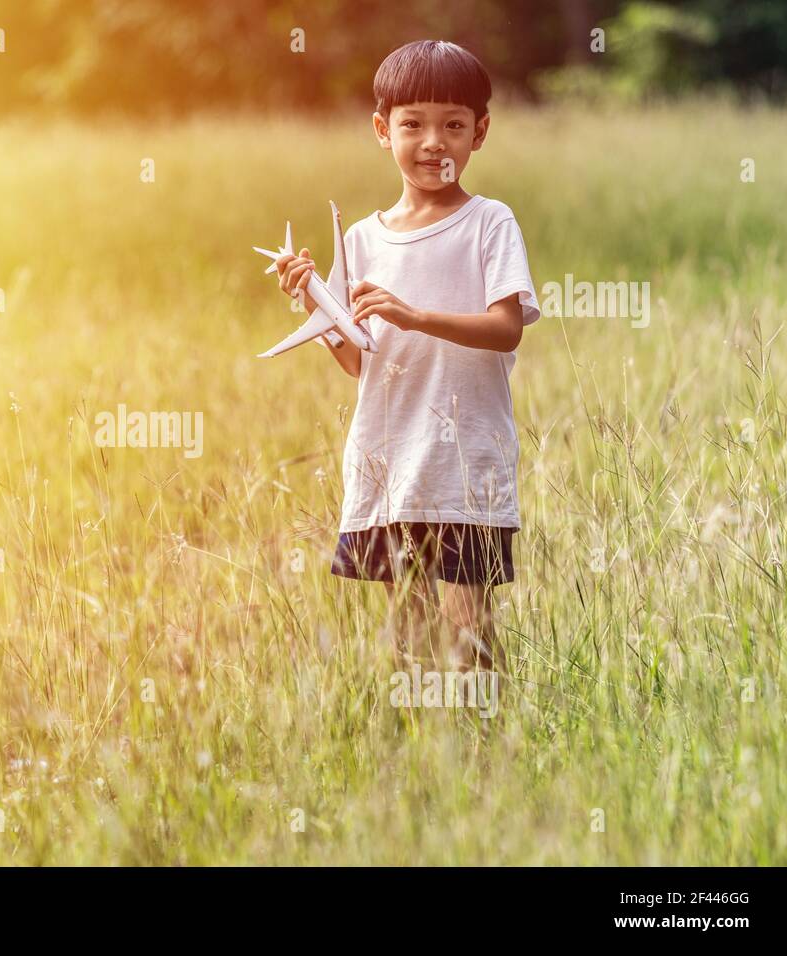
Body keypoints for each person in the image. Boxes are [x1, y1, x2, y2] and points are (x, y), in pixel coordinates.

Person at [275, 39, 539, 681]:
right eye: (412, 124)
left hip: (466, 459)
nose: (432, 143)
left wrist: (415, 315)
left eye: (453, 125)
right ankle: (424, 764)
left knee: (469, 631)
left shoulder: (489, 223)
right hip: (390, 458)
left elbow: (507, 329)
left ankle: (484, 758)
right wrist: (312, 297)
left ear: (480, 132)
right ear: (381, 129)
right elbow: (360, 361)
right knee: (411, 636)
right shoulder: (362, 239)